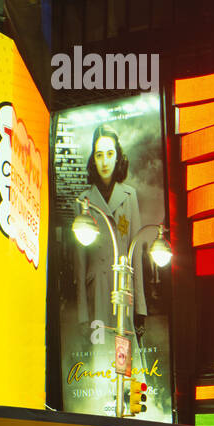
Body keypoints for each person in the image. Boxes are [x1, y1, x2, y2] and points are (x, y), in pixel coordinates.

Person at [76, 123, 146, 334]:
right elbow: (79, 261)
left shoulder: (129, 195)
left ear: (117, 157)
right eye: (99, 155)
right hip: (96, 288)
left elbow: (136, 252)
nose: (105, 161)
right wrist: (82, 313)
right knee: (99, 359)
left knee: (125, 357)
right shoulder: (83, 200)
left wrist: (140, 307)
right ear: (93, 160)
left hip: (123, 288)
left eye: (109, 153)